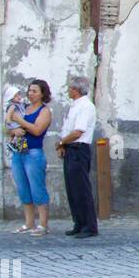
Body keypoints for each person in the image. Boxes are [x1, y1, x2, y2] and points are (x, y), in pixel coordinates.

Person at [6, 79, 53, 235]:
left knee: (37, 188)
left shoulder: (44, 111)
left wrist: (20, 120)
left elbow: (37, 130)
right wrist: (14, 131)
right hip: (18, 151)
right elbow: (8, 127)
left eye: (35, 91)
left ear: (42, 94)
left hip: (33, 152)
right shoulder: (22, 107)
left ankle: (43, 224)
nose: (31, 94)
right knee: (23, 188)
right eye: (30, 90)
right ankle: (29, 223)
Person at [56, 76, 99, 238]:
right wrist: (63, 145)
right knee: (72, 189)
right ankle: (79, 223)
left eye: (70, 88)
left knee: (81, 189)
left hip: (79, 149)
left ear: (76, 90)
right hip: (71, 148)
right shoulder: (75, 106)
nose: (68, 90)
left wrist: (61, 142)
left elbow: (78, 132)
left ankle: (89, 226)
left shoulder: (85, 107)